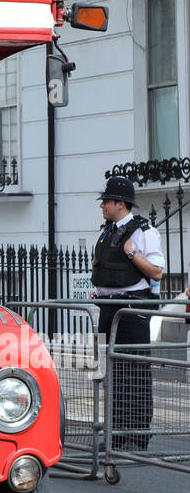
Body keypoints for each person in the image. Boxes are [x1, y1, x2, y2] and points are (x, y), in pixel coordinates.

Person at [91, 176, 164, 451]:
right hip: (108, 307)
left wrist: (132, 255)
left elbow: (157, 272)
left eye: (106, 201)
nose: (102, 206)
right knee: (111, 371)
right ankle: (116, 435)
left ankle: (138, 434)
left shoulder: (143, 232)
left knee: (134, 370)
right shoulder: (106, 230)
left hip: (132, 308)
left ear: (120, 203)